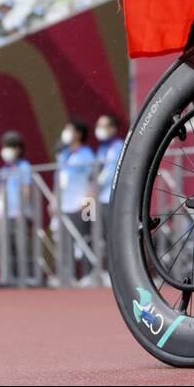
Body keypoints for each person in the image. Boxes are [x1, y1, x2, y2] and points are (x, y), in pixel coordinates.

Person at [56, 117, 97, 285]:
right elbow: (58, 179)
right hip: (66, 205)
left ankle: (90, 274)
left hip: (86, 203)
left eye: (69, 129)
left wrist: (88, 199)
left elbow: (93, 179)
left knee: (86, 238)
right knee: (67, 242)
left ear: (78, 134)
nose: (65, 133)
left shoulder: (87, 154)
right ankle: (70, 276)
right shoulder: (64, 154)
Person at [0, 130, 34, 286]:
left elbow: (26, 189)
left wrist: (22, 210)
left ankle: (26, 276)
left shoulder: (24, 166)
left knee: (21, 245)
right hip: (6, 214)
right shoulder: (5, 169)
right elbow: (0, 191)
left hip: (19, 214)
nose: (5, 150)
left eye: (9, 146)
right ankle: (8, 277)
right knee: (5, 245)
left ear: (18, 149)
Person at [93, 113, 123, 279]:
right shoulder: (101, 149)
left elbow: (108, 172)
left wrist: (94, 187)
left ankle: (117, 271)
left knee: (115, 236)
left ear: (113, 128)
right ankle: (104, 271)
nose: (100, 130)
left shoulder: (118, 146)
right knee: (102, 236)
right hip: (100, 200)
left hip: (113, 199)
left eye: (104, 126)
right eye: (99, 126)